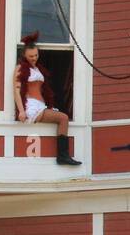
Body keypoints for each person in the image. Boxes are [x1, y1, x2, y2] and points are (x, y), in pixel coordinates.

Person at [14, 32, 82, 166]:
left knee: (62, 117)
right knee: (63, 118)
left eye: (36, 55)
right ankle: (62, 156)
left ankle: (63, 155)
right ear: (24, 56)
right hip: (32, 106)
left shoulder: (37, 69)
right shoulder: (21, 68)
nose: (34, 58)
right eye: (31, 56)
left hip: (41, 105)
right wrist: (21, 111)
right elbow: (16, 90)